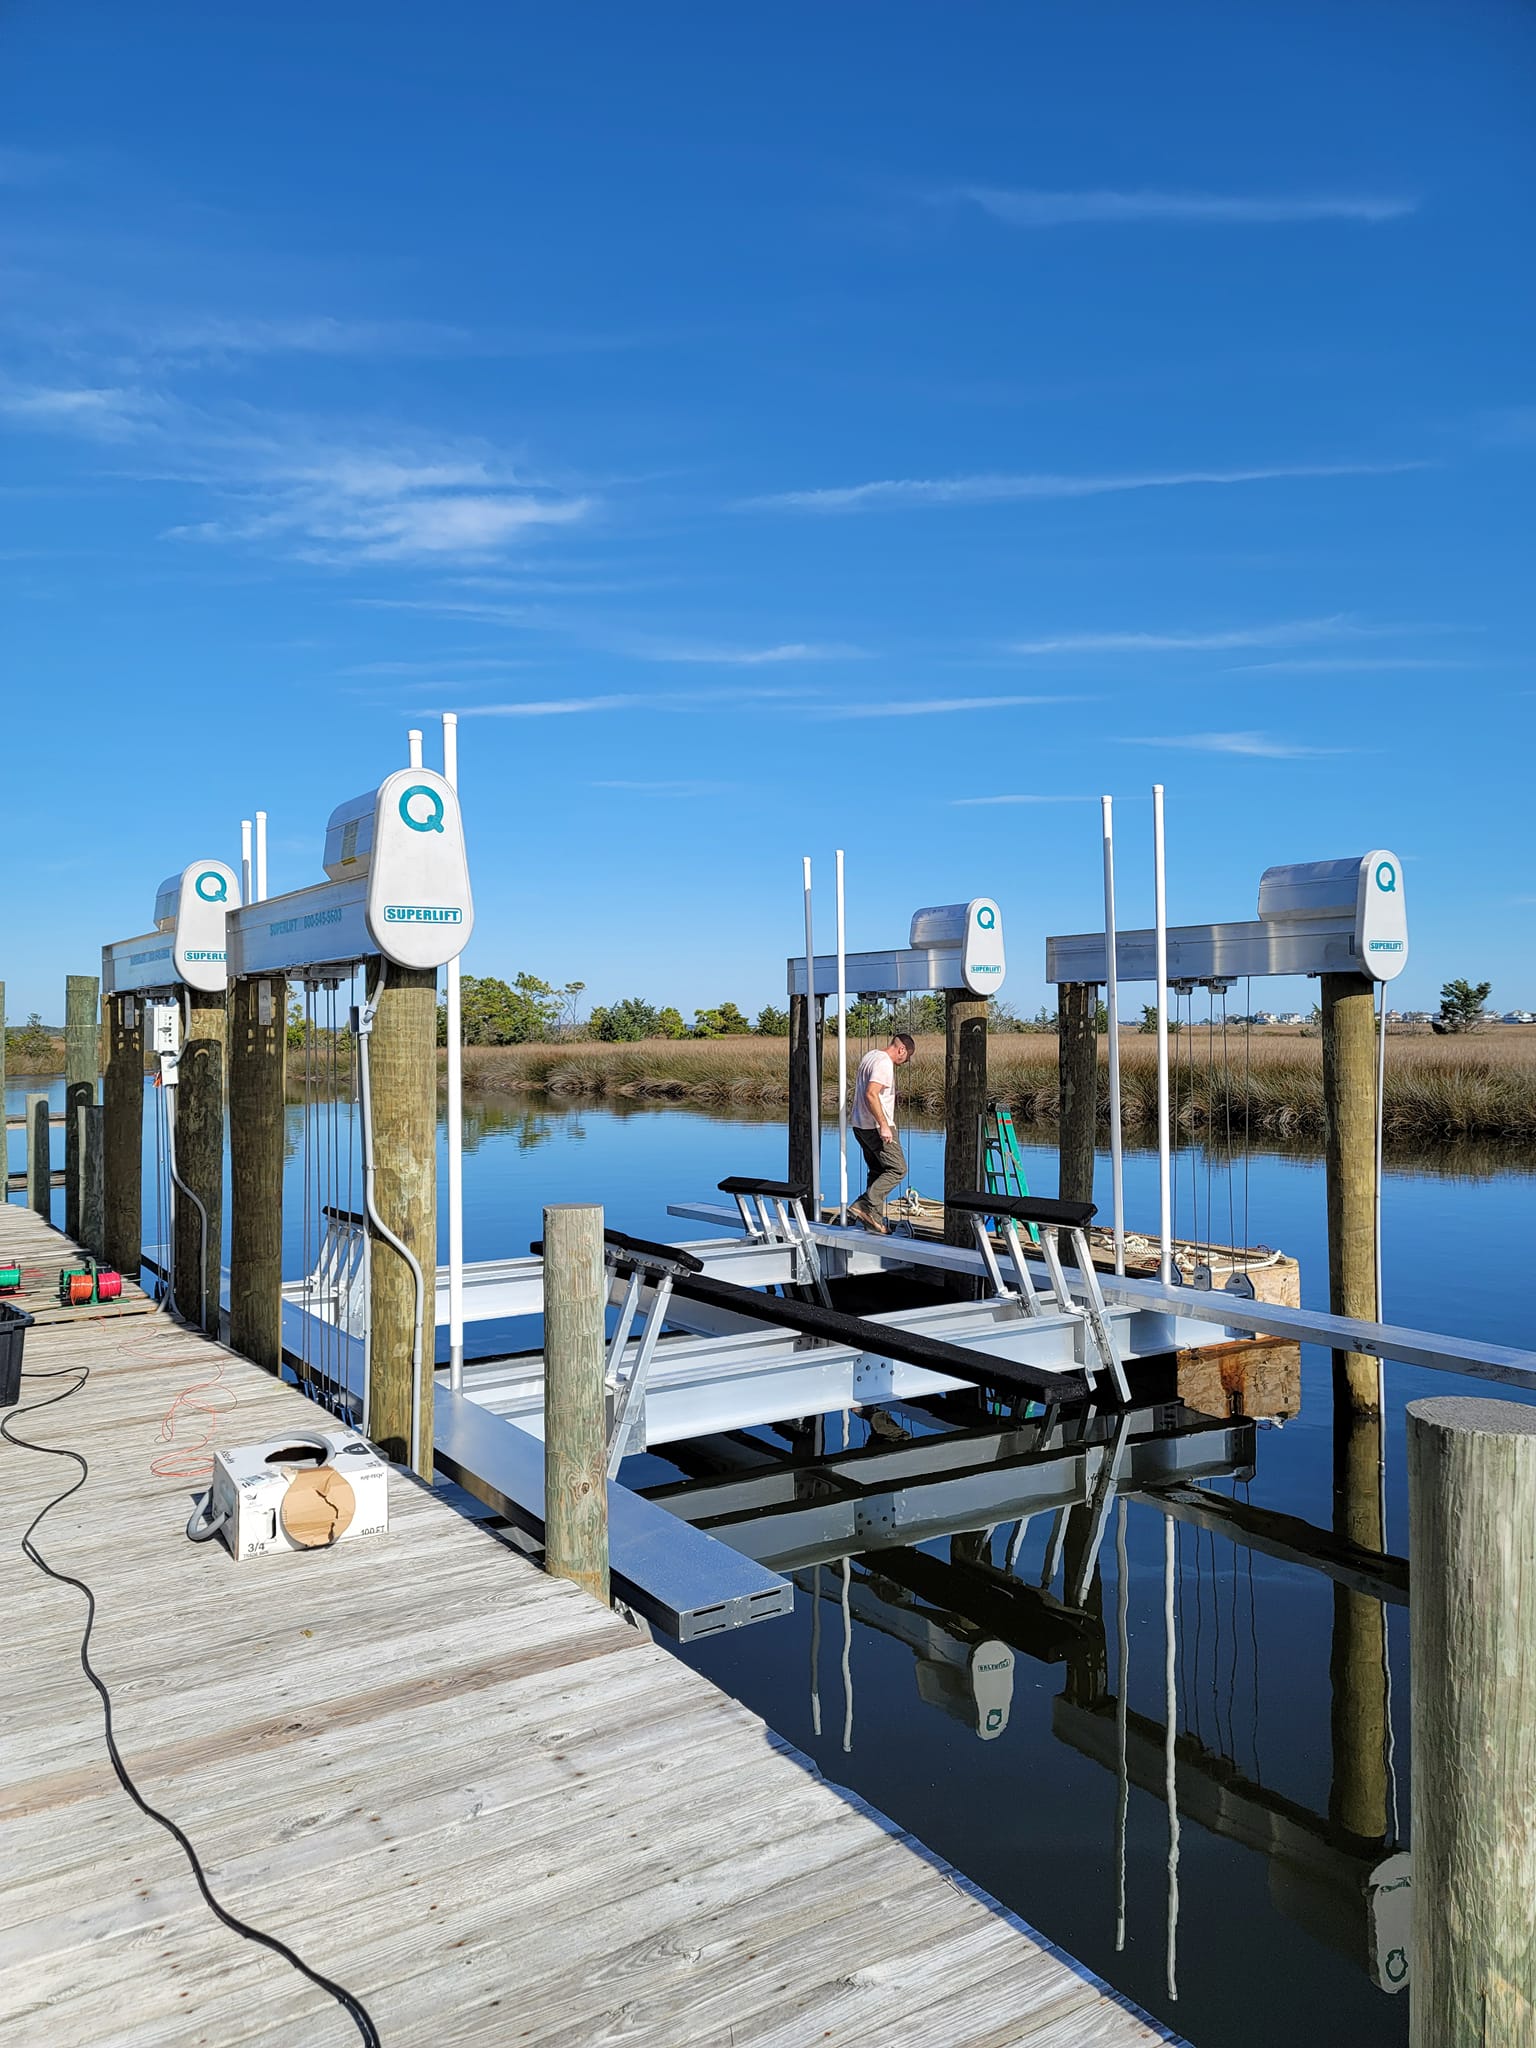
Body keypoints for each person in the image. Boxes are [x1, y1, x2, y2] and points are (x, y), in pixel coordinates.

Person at [849, 1032, 914, 1232]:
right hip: (876, 1127)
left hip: (859, 1125)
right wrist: (884, 1125)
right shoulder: (884, 1062)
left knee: (877, 1171)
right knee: (898, 1169)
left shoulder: (871, 1056)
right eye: (907, 1056)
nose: (905, 1061)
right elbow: (871, 1093)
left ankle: (873, 1220)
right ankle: (863, 1204)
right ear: (901, 1049)